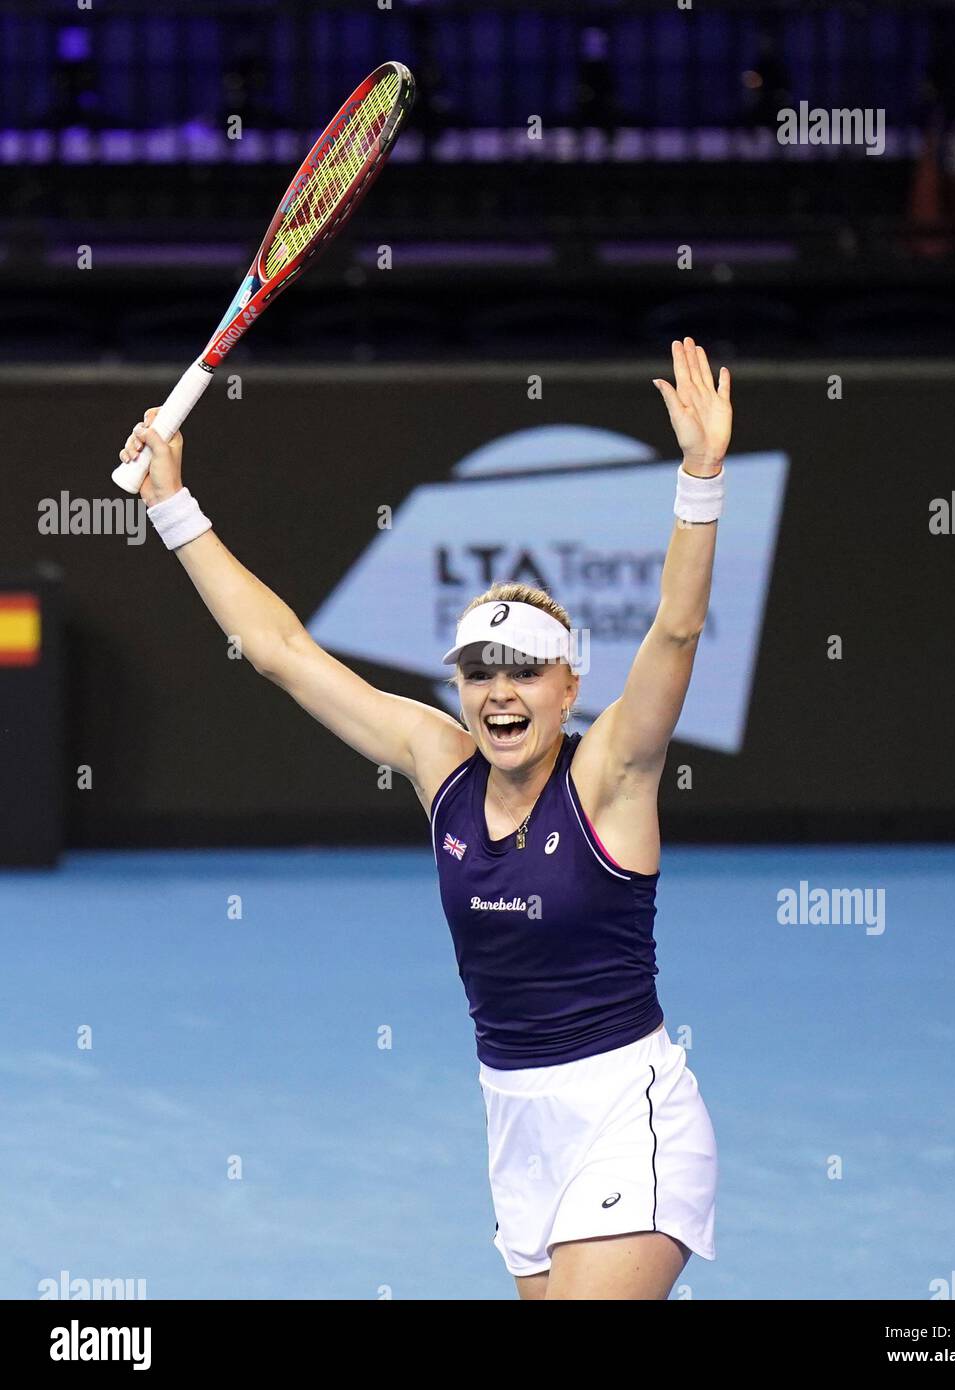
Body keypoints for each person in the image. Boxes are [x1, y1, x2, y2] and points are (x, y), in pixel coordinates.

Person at [118, 337, 732, 1300]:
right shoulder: (436, 761)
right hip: (515, 1128)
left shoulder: (613, 775)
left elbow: (679, 630)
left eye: (525, 672)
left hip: (627, 1113)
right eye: (479, 674)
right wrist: (172, 508)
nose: (499, 693)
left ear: (570, 687)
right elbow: (280, 650)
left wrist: (700, 477)